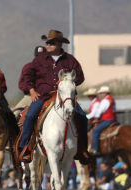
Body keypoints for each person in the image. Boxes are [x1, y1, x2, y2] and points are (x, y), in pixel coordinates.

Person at [18, 29, 88, 163]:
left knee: (83, 118)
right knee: (30, 116)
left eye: (52, 43)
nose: (48, 45)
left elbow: (80, 76)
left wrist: (69, 83)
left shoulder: (70, 60)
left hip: (65, 98)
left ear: (60, 44)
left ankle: (82, 150)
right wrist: (32, 90)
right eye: (47, 43)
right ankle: (25, 148)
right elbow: (27, 76)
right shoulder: (39, 59)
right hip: (43, 97)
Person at [15, 46, 46, 117]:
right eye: (38, 56)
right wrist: (32, 91)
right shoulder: (27, 67)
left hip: (45, 97)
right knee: (14, 114)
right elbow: (21, 84)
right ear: (34, 56)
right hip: (29, 97)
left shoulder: (49, 68)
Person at [87, 86, 116, 155]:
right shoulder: (110, 99)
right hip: (112, 119)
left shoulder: (105, 101)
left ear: (105, 93)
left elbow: (99, 111)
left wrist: (96, 119)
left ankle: (95, 149)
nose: (100, 95)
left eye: (101, 93)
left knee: (95, 131)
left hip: (107, 120)